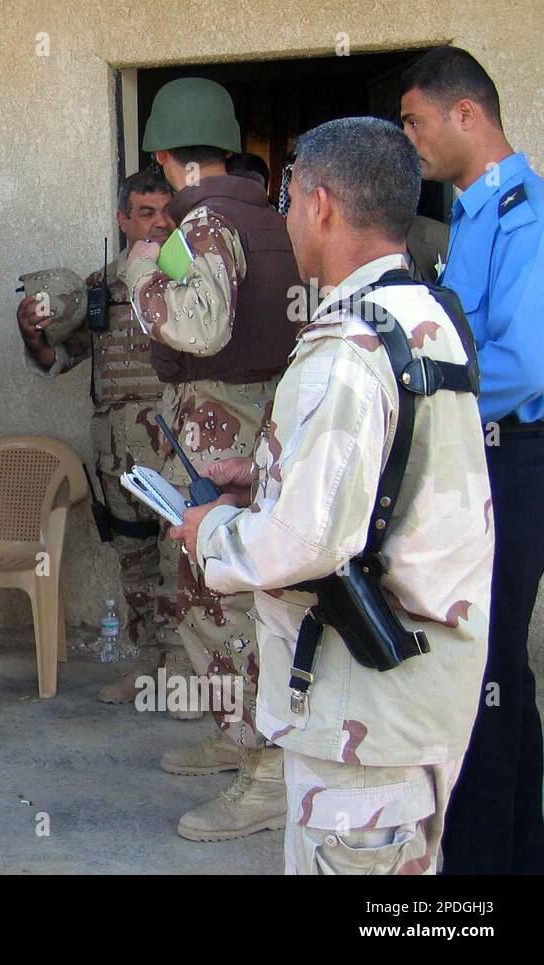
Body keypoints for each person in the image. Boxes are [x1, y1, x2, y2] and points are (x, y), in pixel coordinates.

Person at [171, 116, 492, 874]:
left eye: (287, 201)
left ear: (319, 204)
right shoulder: (428, 315)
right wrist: (269, 475)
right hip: (423, 692)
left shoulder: (345, 346)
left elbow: (302, 544)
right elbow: (401, 467)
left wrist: (210, 533)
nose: (284, 221)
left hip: (360, 713)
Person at [127, 77, 300, 840]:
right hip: (260, 429)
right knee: (221, 599)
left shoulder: (206, 223)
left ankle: (266, 771)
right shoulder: (274, 219)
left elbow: (196, 326)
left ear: (165, 155)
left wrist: (141, 269)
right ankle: (240, 737)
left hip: (222, 434)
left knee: (226, 600)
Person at [401, 44, 544, 874]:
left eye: (417, 121)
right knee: (497, 672)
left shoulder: (525, 211)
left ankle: (483, 864)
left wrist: (427, 411)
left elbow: (523, 364)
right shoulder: (472, 211)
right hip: (482, 462)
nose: (410, 138)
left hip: (514, 459)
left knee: (481, 669)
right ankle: (521, 845)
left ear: (467, 114)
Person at [15, 169, 194, 717]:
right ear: (123, 220)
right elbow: (61, 360)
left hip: (181, 452)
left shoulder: (195, 281)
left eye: (168, 212)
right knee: (135, 560)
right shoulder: (97, 290)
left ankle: (187, 675)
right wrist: (32, 333)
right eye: (145, 212)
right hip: (119, 453)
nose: (159, 224)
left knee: (182, 559)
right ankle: (148, 667)